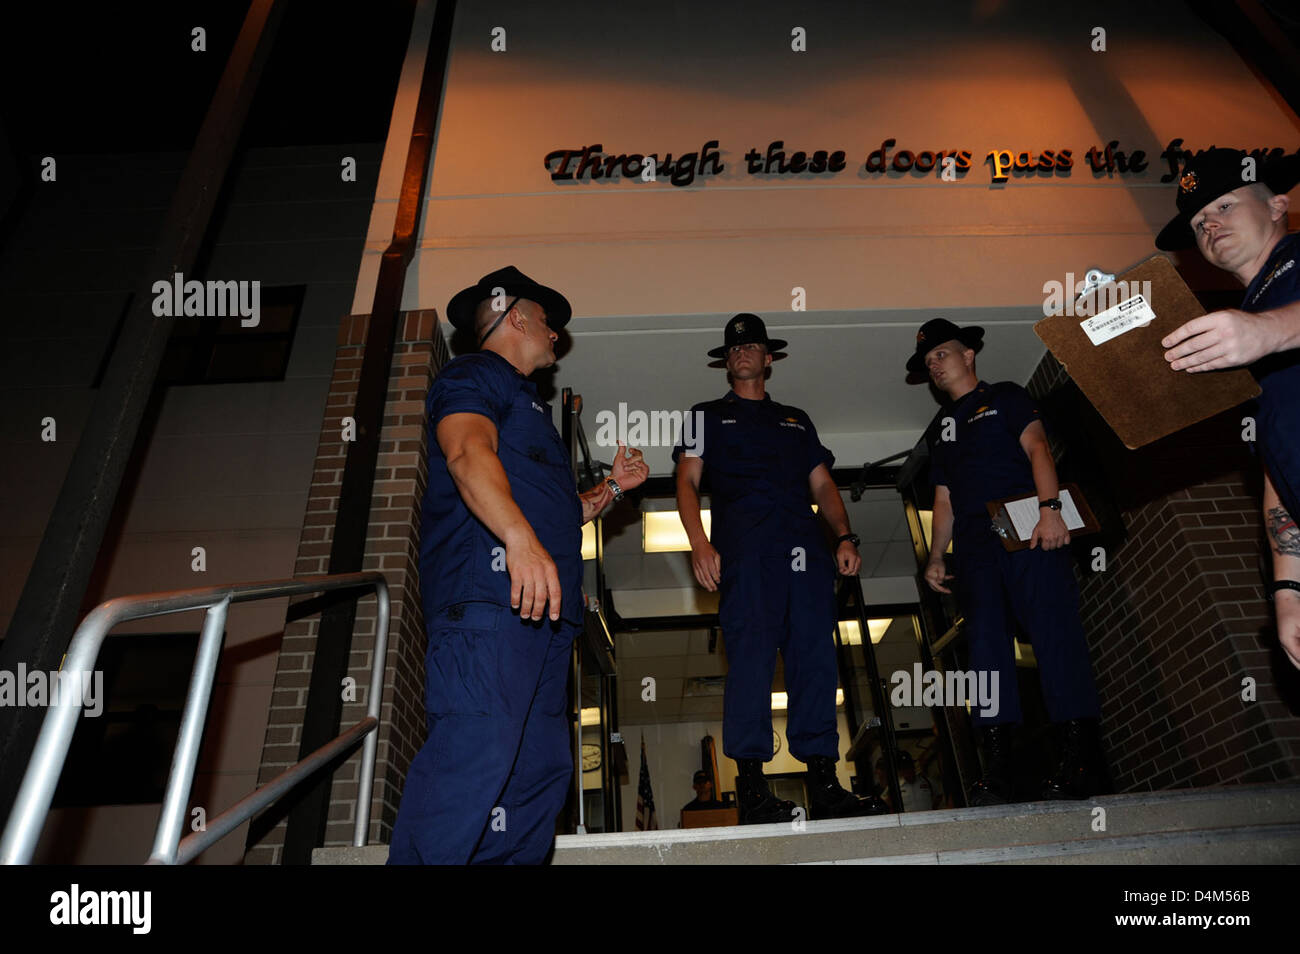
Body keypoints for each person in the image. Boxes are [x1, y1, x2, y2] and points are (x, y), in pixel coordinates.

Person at [388, 266, 648, 864]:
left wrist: (611, 489)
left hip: (543, 619)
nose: (556, 336)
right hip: (491, 600)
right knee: (476, 753)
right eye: (549, 323)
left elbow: (556, 513)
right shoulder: (475, 374)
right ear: (519, 318)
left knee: (540, 772)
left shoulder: (531, 409)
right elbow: (464, 450)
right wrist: (517, 540)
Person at [674, 313, 888, 823]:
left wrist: (843, 535)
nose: (742, 352)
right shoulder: (705, 416)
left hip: (806, 557)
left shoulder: (797, 419)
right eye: (733, 348)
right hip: (746, 557)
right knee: (750, 662)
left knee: (815, 659)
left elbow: (823, 486)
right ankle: (751, 789)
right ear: (726, 362)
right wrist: (699, 544)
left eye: (752, 346)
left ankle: (824, 783)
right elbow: (685, 481)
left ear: (769, 359)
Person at [909, 318, 1106, 804]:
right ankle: (997, 769)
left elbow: (1038, 448)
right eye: (929, 360)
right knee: (986, 653)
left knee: (1053, 634)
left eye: (943, 353)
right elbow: (945, 498)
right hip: (976, 545)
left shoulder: (1007, 396)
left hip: (1027, 527)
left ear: (969, 354)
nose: (936, 364)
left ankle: (1079, 759)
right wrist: (936, 555)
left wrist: (1051, 509)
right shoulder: (940, 428)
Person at [1156, 148, 1300, 670]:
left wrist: (1270, 331)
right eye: (1198, 223)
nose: (1209, 225)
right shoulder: (1244, 327)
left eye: (1223, 206)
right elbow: (1278, 473)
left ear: (1278, 204)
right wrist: (1287, 588)